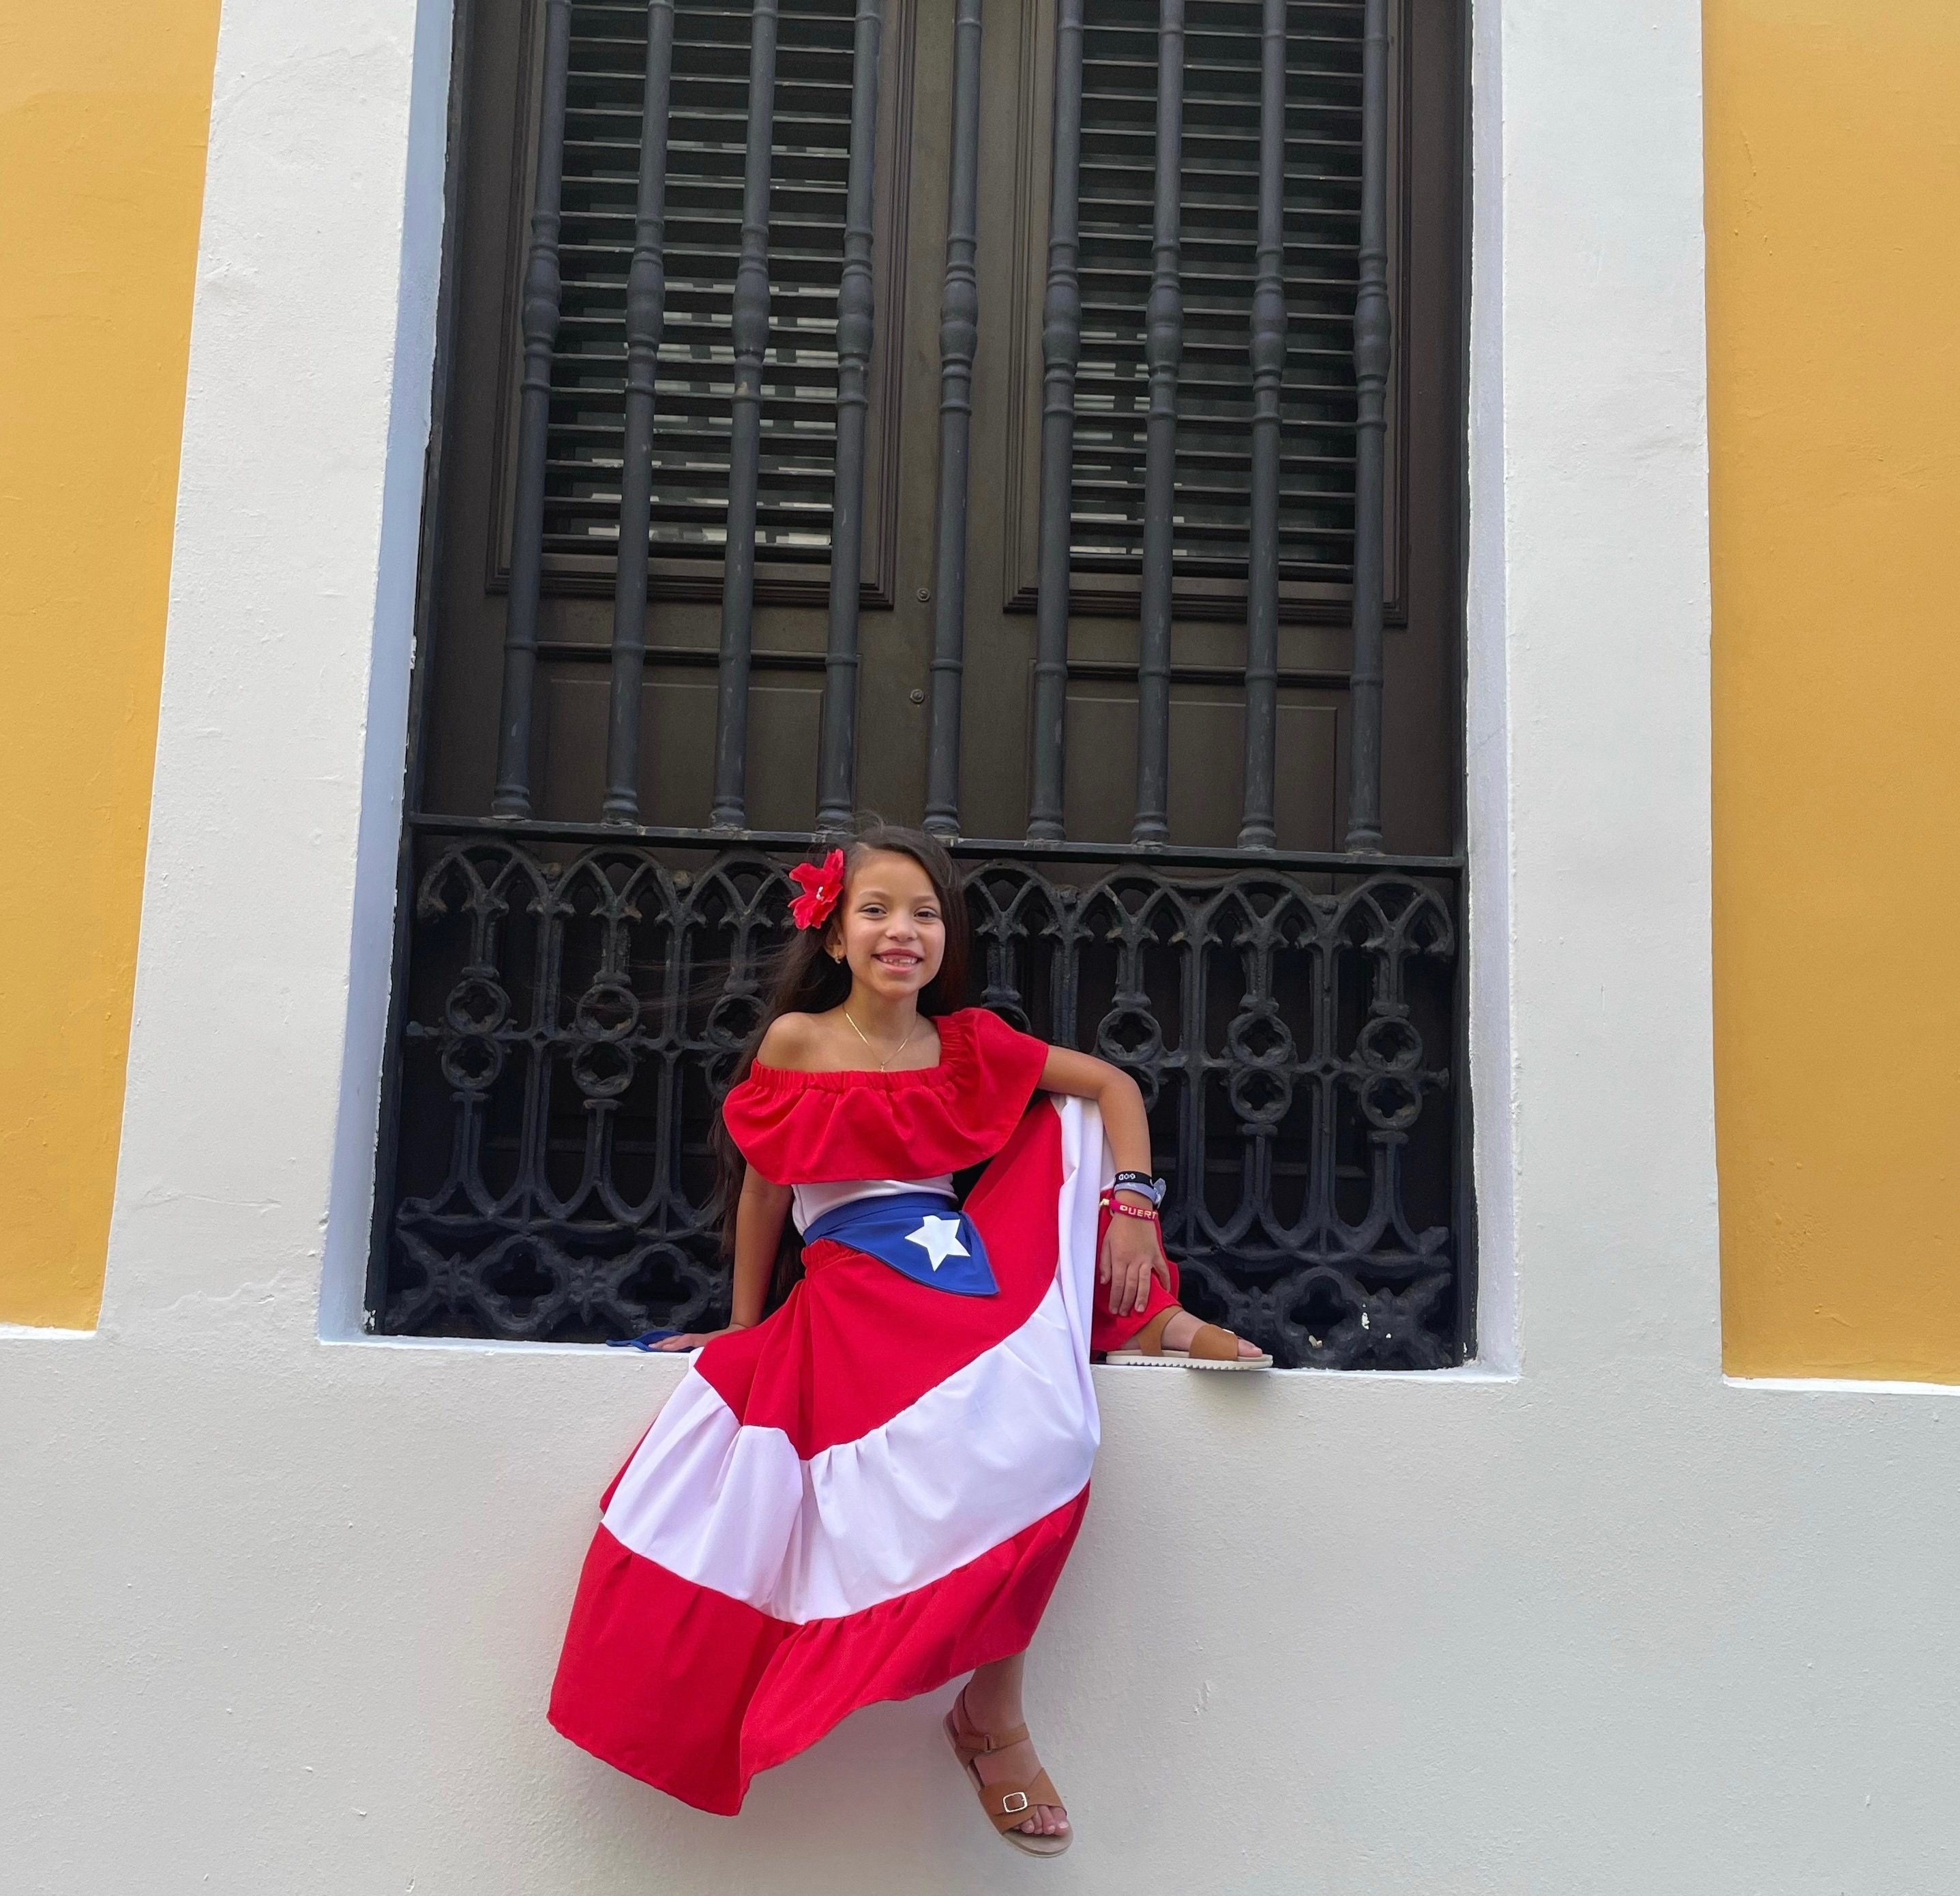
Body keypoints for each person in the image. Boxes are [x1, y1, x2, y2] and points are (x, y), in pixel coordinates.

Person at [548, 824, 1268, 1854]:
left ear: (945, 938)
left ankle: (1142, 1313)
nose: (903, 930)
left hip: (960, 1269)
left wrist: (1134, 1208)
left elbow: (1114, 1087)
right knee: (1022, 1435)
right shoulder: (797, 1043)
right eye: (877, 910)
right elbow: (766, 1184)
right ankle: (996, 1719)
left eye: (925, 913)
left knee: (1058, 1414)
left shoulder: (969, 1042)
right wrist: (744, 1325)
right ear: (835, 936)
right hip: (853, 1284)